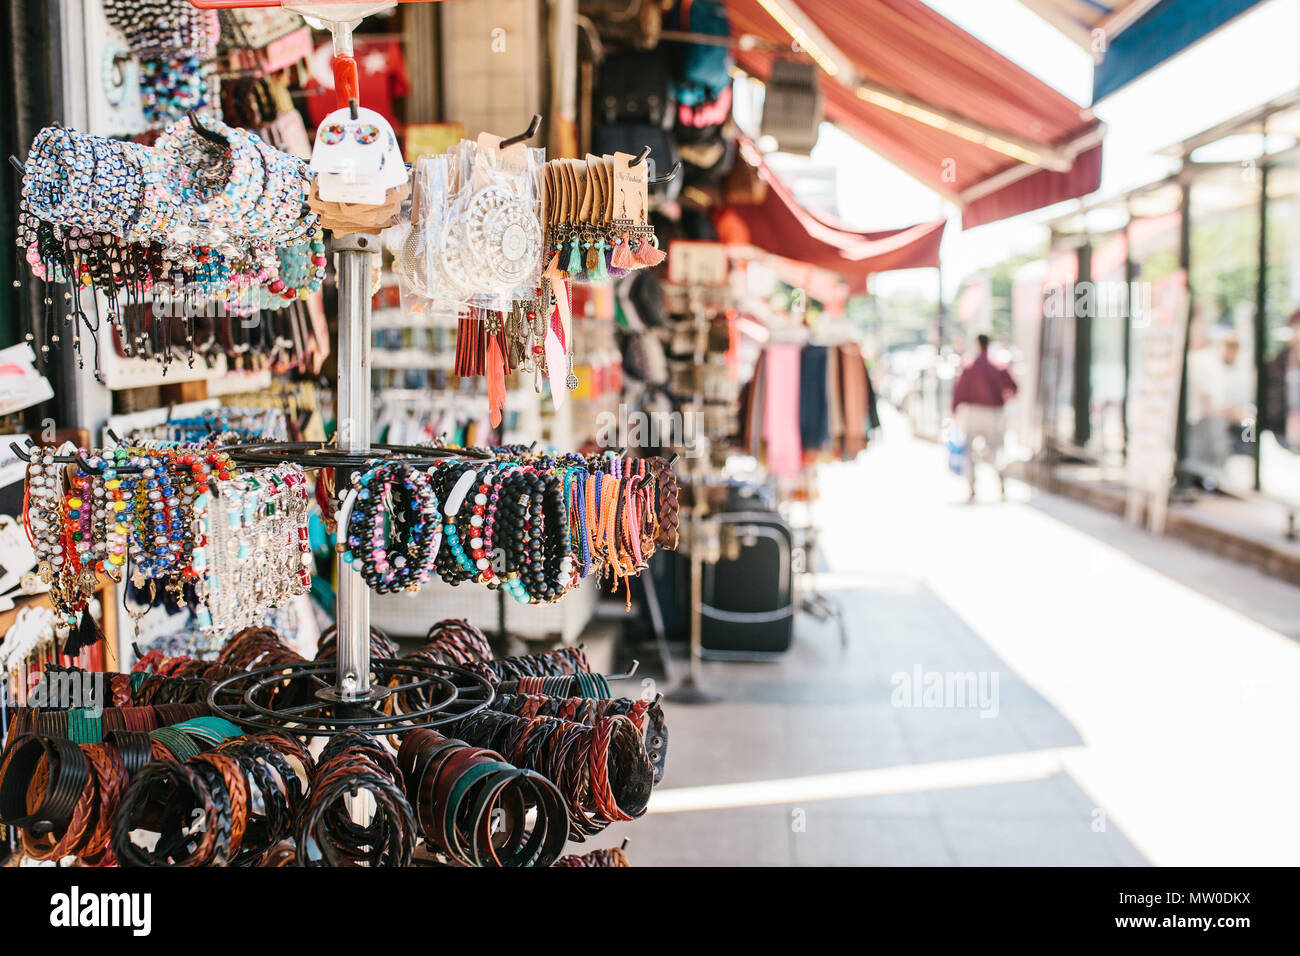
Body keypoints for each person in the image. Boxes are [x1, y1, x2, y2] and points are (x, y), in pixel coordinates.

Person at [952, 334, 1018, 500]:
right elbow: (1014, 386)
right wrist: (1005, 399)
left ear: (977, 344)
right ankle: (1002, 485)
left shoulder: (970, 366)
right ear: (989, 344)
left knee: (969, 451)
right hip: (993, 413)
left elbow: (959, 391)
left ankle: (972, 487)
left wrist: (954, 410)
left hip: (974, 412)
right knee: (997, 450)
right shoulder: (997, 365)